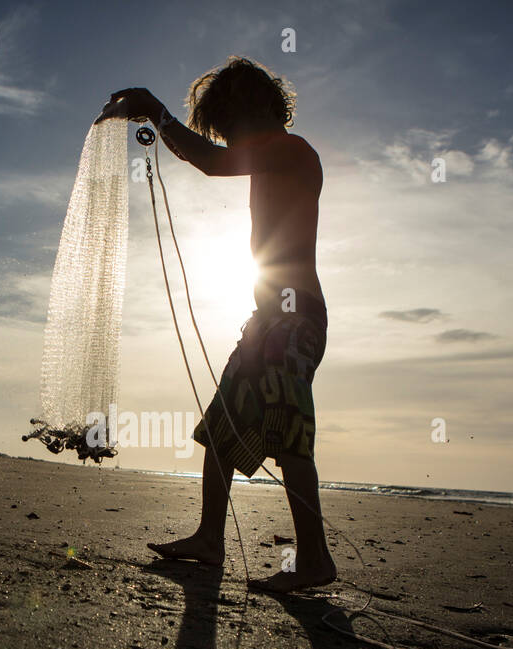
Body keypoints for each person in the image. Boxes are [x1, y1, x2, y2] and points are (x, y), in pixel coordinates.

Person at [99, 56, 336, 593]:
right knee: (224, 421)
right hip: (267, 317)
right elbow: (214, 157)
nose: (226, 136)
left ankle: (316, 558)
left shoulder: (293, 151)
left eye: (228, 124)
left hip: (297, 317)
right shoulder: (267, 154)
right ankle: (210, 539)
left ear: (251, 108)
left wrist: (155, 111)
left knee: (291, 430)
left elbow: (209, 161)